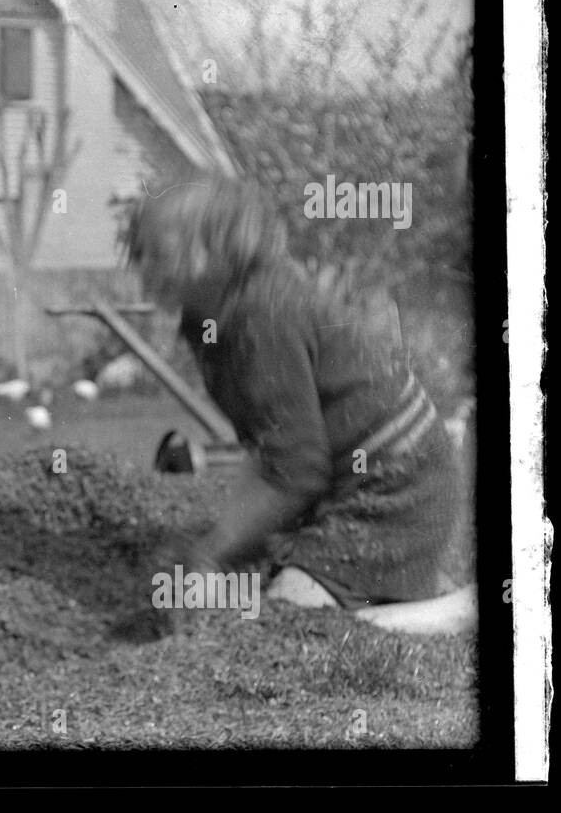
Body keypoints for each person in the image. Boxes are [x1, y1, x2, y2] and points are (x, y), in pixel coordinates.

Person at [127, 174, 475, 634]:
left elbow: (295, 470)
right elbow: (272, 449)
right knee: (252, 581)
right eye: (139, 252)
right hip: (348, 481)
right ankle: (400, 582)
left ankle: (448, 614)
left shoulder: (261, 317)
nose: (145, 267)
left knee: (289, 619)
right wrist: (225, 543)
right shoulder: (208, 320)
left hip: (396, 487)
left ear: (224, 251)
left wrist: (215, 547)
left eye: (161, 253)